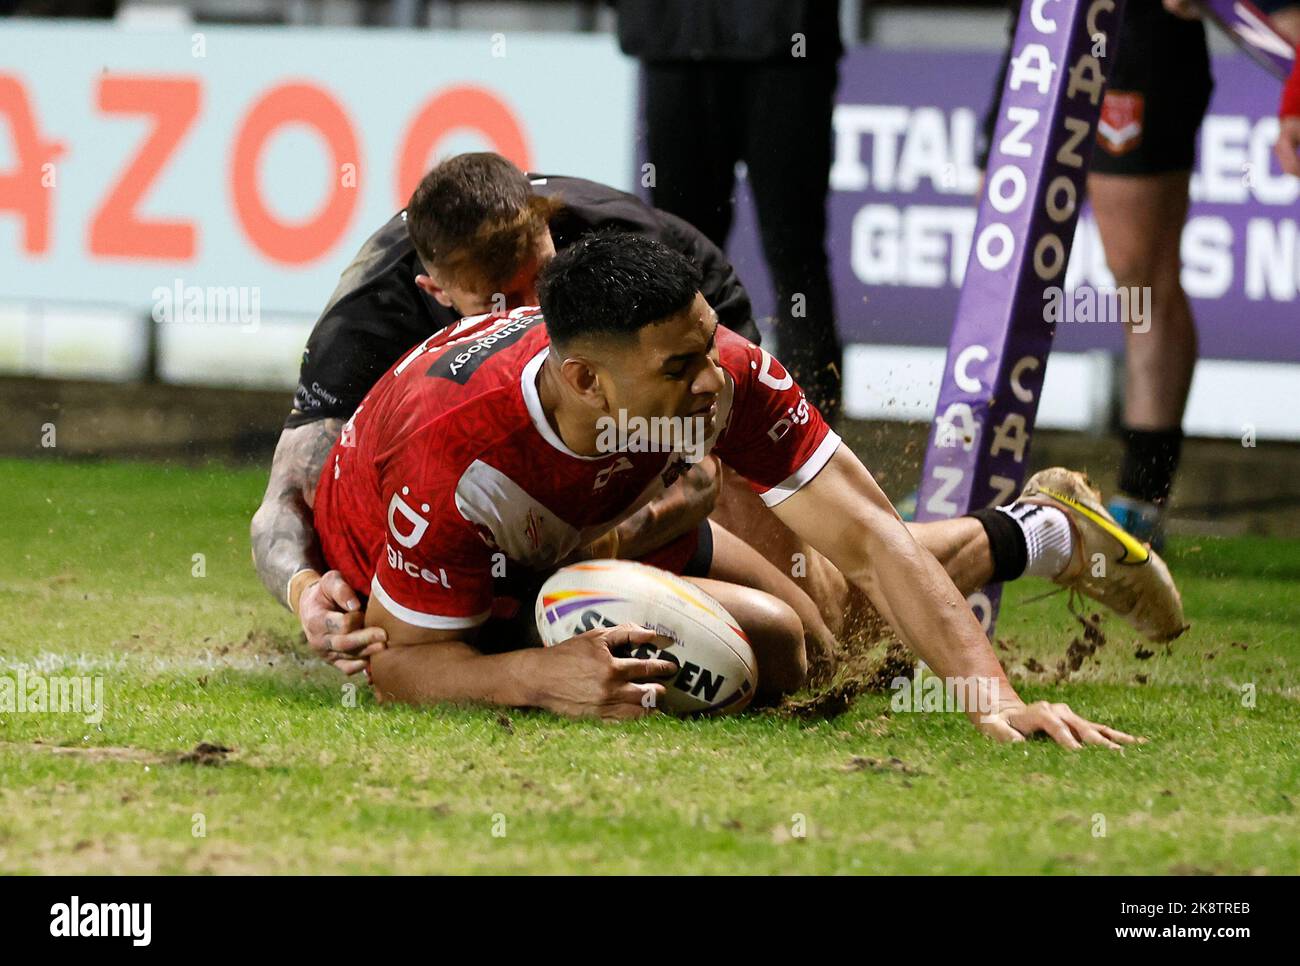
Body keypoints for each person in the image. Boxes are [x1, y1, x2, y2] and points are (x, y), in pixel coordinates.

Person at [312, 229, 1168, 748]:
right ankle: (1036, 531)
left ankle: (1045, 531)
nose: (711, 385)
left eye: (709, 347)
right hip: (451, 579)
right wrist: (539, 678)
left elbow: (871, 533)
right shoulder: (455, 458)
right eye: (680, 367)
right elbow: (403, 664)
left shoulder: (718, 371)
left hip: (591, 526)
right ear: (587, 381)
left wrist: (994, 701)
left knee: (823, 640)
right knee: (792, 655)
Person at [251, 152, 793, 674]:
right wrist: (304, 591)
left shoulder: (621, 244)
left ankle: (842, 617)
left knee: (766, 532)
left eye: (544, 280)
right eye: (504, 302)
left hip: (667, 330)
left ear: (552, 233)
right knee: (758, 637)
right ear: (435, 290)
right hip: (487, 528)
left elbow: (705, 469)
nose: (538, 320)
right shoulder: (364, 327)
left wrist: (613, 529)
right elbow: (285, 502)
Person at [980, 0, 1300, 547]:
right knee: (998, 261)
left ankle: (1139, 503)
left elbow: (1282, 22)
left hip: (1139, 33)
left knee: (1140, 281)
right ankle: (974, 480)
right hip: (1041, 27)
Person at [616, 0, 844, 422]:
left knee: (795, 249)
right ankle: (678, 426)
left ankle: (815, 431)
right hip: (676, 40)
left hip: (786, 42)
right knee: (676, 256)